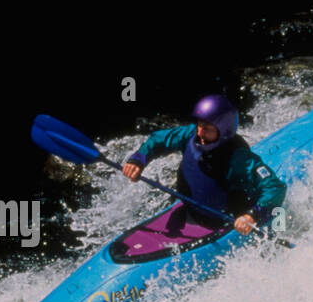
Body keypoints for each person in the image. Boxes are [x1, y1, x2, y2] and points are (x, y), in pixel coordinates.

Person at [122, 94, 286, 236]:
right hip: (190, 208)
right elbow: (158, 139)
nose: (200, 132)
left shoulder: (240, 159)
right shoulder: (189, 135)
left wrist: (251, 216)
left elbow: (275, 187)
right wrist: (138, 160)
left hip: (224, 219)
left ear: (224, 130)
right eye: (199, 124)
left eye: (207, 128)